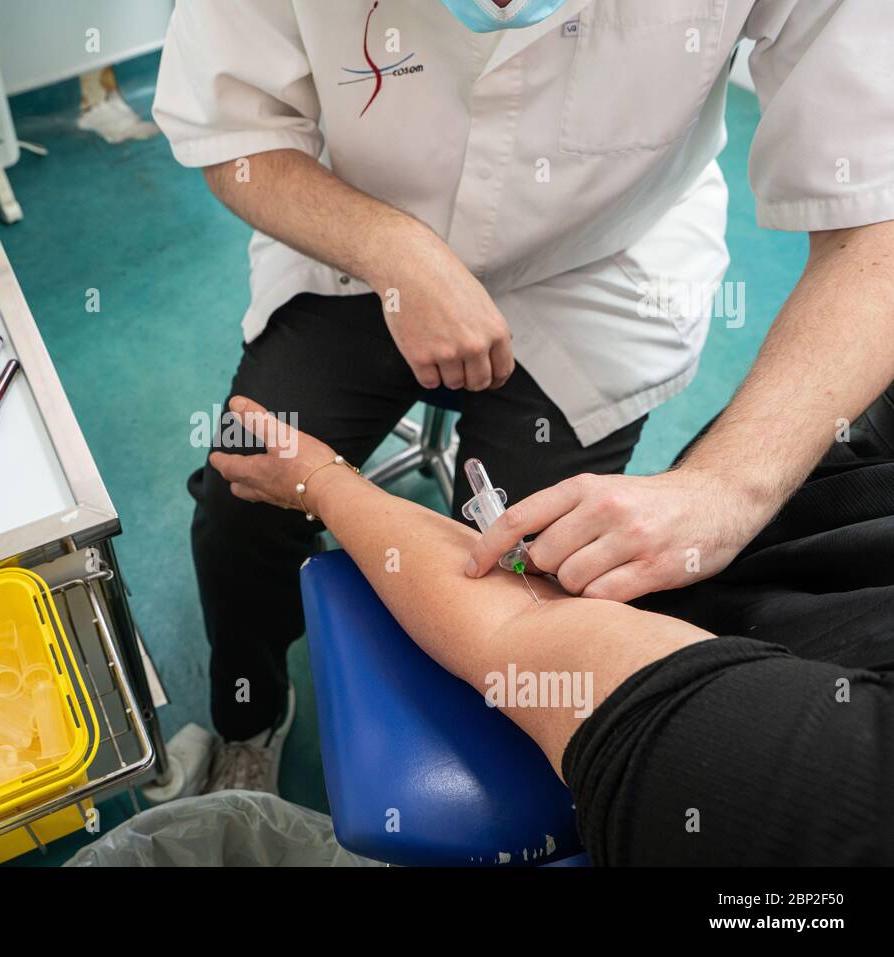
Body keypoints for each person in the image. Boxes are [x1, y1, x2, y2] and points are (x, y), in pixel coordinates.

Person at [152, 0, 894, 791]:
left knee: (527, 571)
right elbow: (235, 136)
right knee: (240, 507)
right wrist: (391, 249)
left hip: (600, 262)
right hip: (361, 238)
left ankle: (476, 766)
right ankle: (251, 712)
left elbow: (875, 224)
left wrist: (725, 488)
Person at [208, 390, 894, 864]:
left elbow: (508, 620)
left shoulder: (826, 795)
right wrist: (728, 484)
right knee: (228, 505)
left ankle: (249, 723)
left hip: (594, 309)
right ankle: (249, 713)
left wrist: (317, 479)